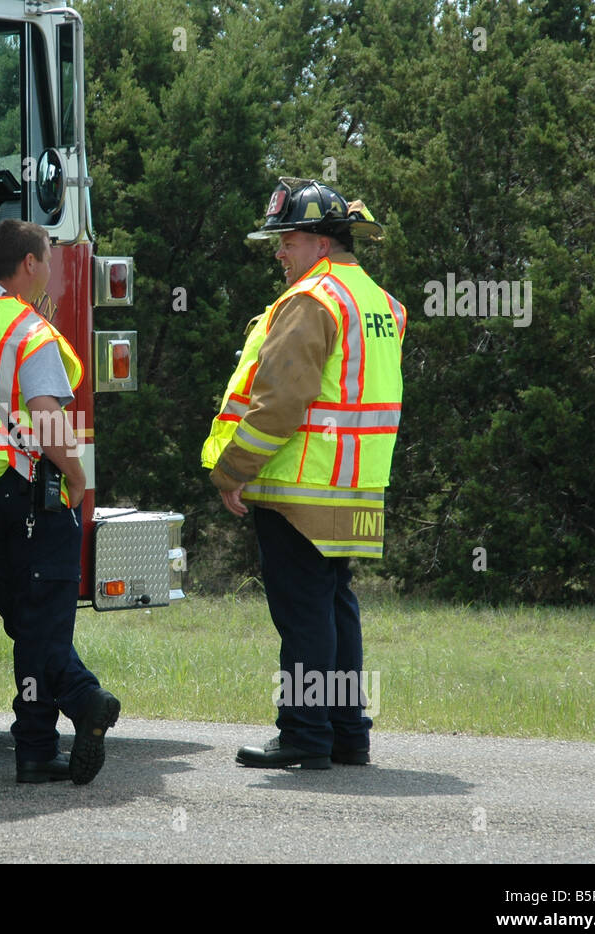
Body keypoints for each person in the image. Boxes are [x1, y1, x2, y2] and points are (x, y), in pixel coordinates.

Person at [202, 178, 406, 769]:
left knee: (304, 614)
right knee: (336, 607)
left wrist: (233, 469)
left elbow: (281, 402)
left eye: (285, 241)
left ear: (317, 241)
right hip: (355, 485)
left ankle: (305, 735)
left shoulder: (311, 300)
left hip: (301, 488)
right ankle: (346, 734)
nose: (278, 253)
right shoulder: (379, 302)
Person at [0, 219, 120, 784]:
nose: (54, 272)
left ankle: (37, 749)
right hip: (33, 488)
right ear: (30, 263)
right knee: (45, 623)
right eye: (49, 259)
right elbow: (44, 415)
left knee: (27, 621)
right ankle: (85, 699)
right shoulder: (27, 328)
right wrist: (77, 475)